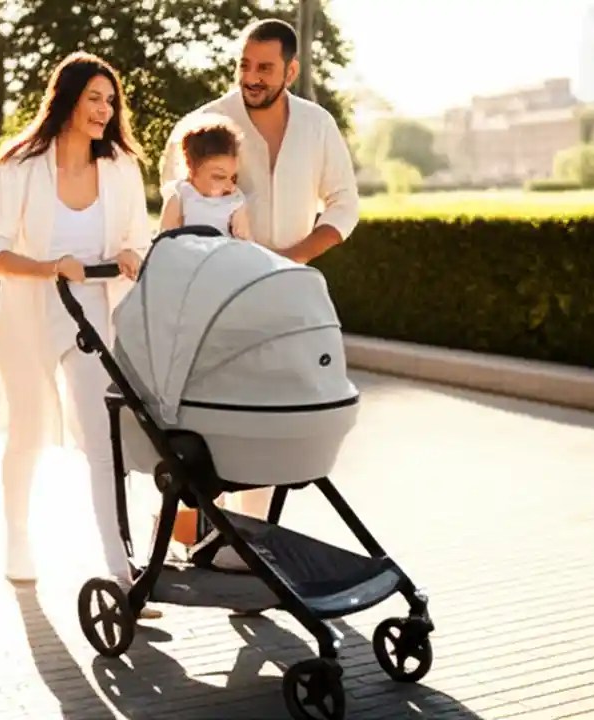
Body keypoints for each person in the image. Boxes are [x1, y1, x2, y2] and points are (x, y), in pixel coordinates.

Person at [158, 18, 361, 569]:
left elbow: (344, 205)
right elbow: (173, 192)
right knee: (217, 416)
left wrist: (290, 259)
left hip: (284, 299)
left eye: (265, 67)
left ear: (291, 69)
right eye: (245, 64)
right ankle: (199, 525)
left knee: (273, 416)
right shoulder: (205, 124)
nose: (251, 76)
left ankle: (248, 547)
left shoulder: (318, 126)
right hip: (216, 304)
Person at [0, 51, 160, 617]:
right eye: (95, 98)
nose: (105, 109)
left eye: (111, 100)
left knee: (101, 439)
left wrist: (132, 251)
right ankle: (17, 535)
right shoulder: (18, 166)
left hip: (96, 317)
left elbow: (139, 237)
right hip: (33, 311)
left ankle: (120, 569)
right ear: (68, 99)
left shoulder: (122, 168)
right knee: (28, 434)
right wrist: (52, 266)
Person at [158, 114, 252, 239]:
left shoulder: (234, 200)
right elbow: (166, 238)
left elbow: (244, 241)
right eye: (219, 177)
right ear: (191, 167)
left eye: (233, 177)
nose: (229, 186)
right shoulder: (180, 195)